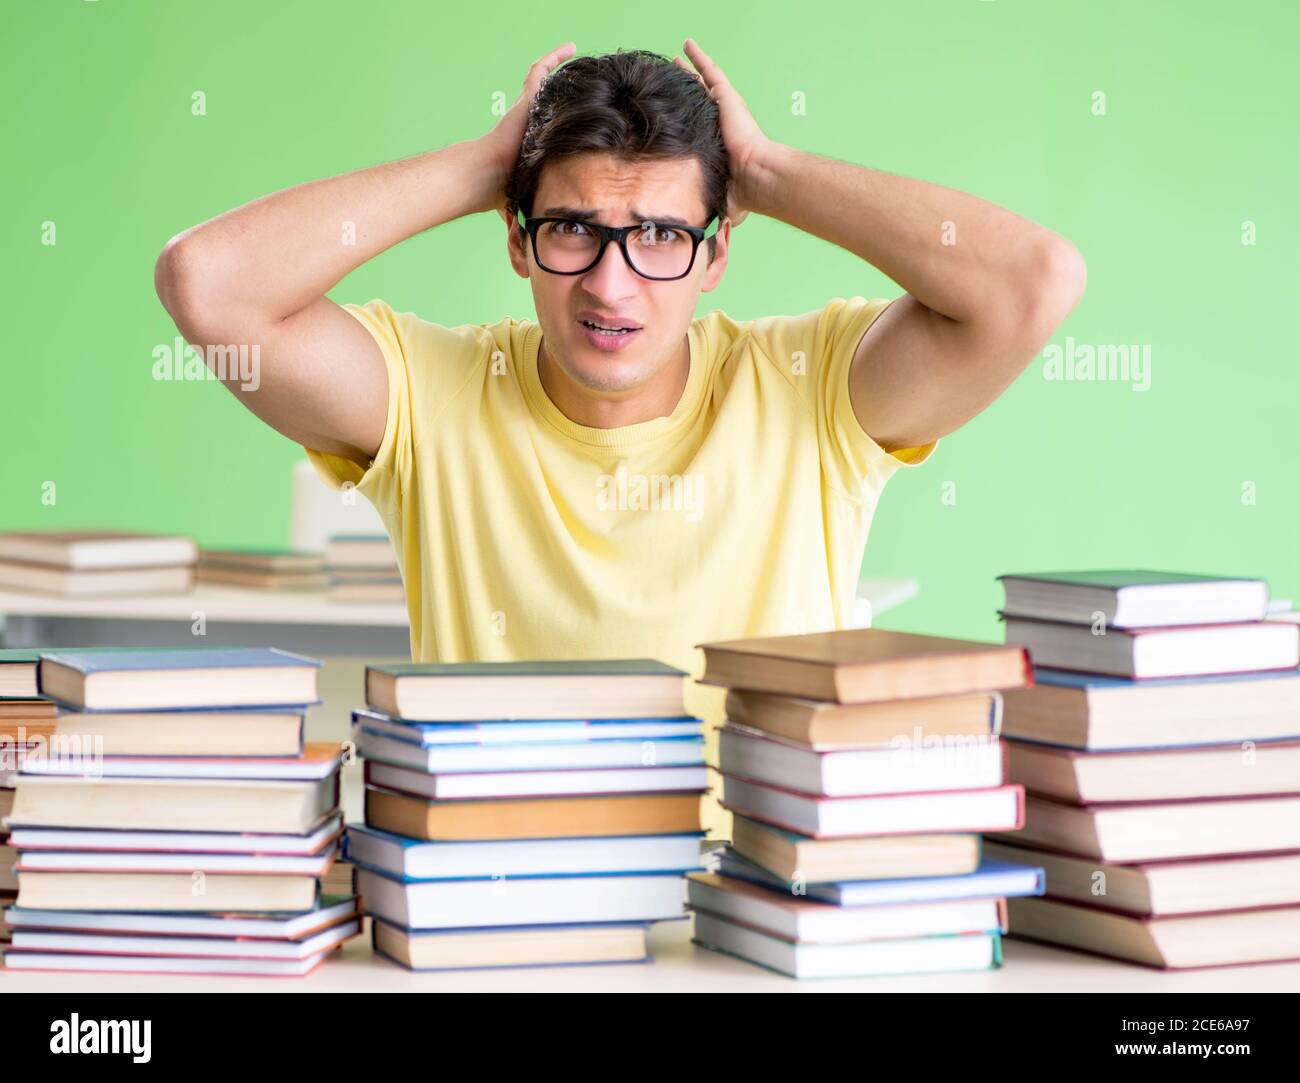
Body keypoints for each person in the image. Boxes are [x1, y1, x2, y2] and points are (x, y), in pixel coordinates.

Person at [155, 40, 1085, 833]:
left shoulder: (813, 392)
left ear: (717, 253)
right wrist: (487, 165)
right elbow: (206, 282)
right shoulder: (430, 395)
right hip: (502, 917)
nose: (612, 285)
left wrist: (763, 172)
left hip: (754, 911)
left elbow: (1033, 283)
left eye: (660, 236)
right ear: (517, 240)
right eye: (572, 229)